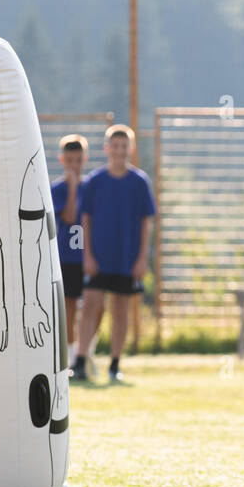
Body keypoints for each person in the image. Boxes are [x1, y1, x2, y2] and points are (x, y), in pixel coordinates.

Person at [71, 124, 155, 383]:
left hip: (127, 260)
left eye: (124, 146)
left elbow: (146, 222)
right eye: (114, 146)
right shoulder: (95, 182)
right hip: (99, 258)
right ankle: (81, 361)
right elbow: (85, 218)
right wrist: (87, 256)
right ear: (107, 148)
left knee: (121, 311)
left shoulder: (140, 182)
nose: (119, 151)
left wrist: (141, 258)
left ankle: (115, 364)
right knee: (91, 306)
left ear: (131, 148)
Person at [51, 134, 86, 356]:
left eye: (78, 160)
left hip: (89, 257)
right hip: (67, 257)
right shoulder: (57, 190)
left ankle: (86, 351)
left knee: (97, 306)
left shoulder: (91, 187)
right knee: (70, 306)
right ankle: (72, 356)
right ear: (62, 160)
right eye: (70, 160)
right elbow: (70, 216)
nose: (74, 166)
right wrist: (73, 188)